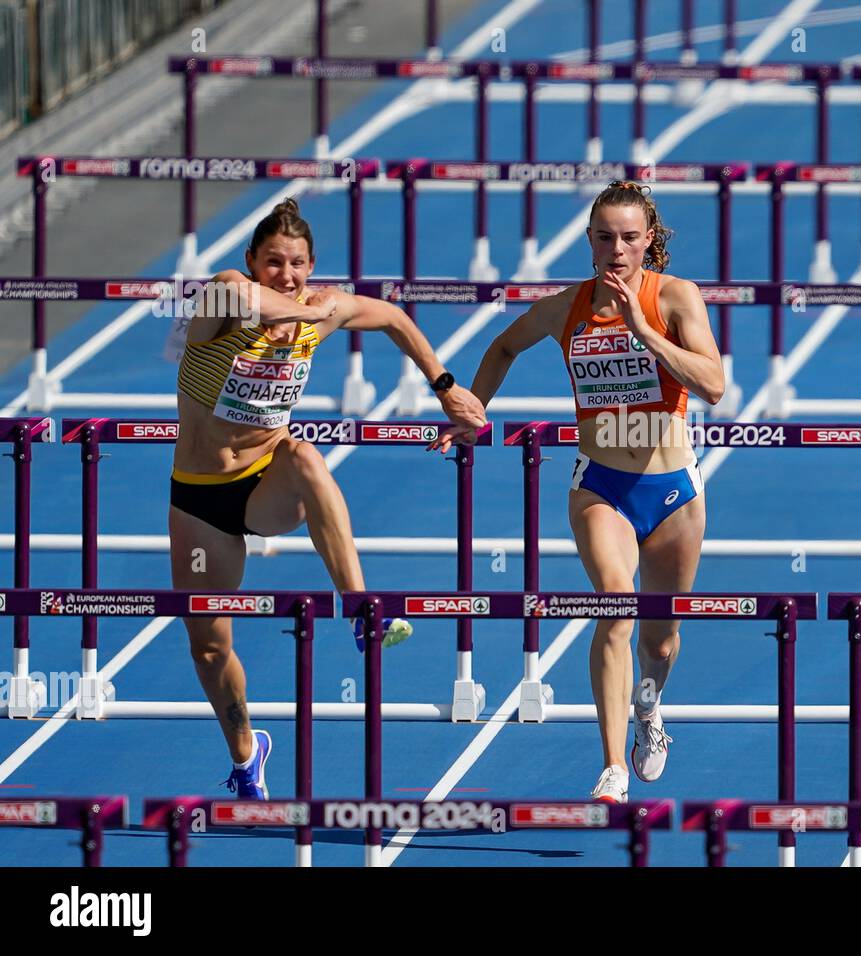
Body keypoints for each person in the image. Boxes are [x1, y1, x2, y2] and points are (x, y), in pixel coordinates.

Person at [170, 198, 486, 797]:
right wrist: (299, 310)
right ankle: (246, 755)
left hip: (269, 480)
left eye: (296, 264)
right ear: (251, 261)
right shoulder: (226, 294)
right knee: (209, 650)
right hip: (201, 498)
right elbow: (251, 299)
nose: (284, 274)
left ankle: (363, 608)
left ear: (312, 266)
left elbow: (394, 318)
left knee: (307, 455)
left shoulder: (325, 308)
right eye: (272, 262)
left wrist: (444, 388)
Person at [468, 181, 724, 802]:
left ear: (648, 242)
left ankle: (647, 711)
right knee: (615, 603)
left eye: (629, 238)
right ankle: (611, 767)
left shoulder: (677, 297)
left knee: (659, 638)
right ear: (588, 241)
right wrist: (472, 408)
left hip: (672, 491)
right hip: (601, 484)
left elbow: (713, 384)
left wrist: (643, 329)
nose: (616, 249)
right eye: (604, 237)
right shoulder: (567, 307)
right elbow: (504, 344)